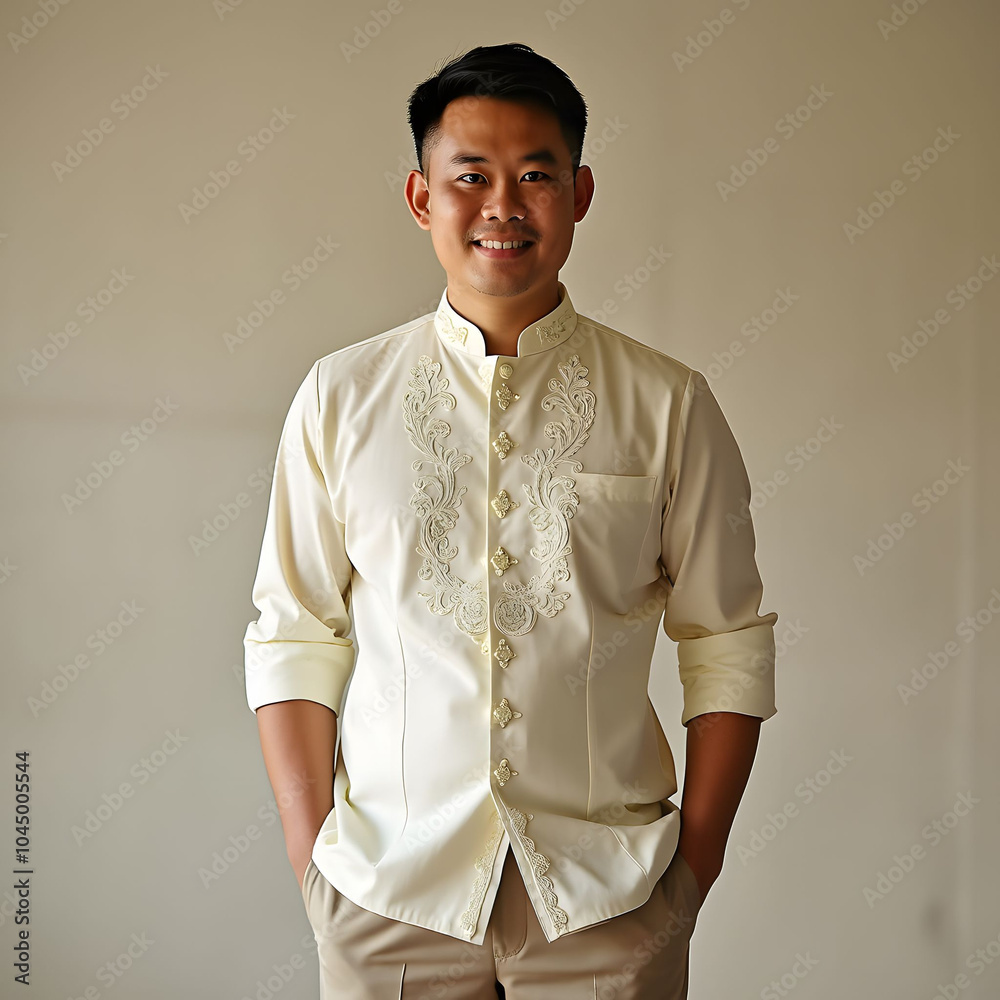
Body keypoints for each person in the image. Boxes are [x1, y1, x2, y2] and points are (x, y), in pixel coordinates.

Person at [244, 41, 779, 999]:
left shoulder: (667, 403)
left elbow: (727, 640)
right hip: (387, 900)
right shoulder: (340, 398)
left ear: (578, 194)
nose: (502, 205)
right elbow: (294, 633)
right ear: (422, 198)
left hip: (609, 905)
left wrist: (691, 874)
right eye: (471, 177)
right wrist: (310, 858)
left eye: (535, 175)